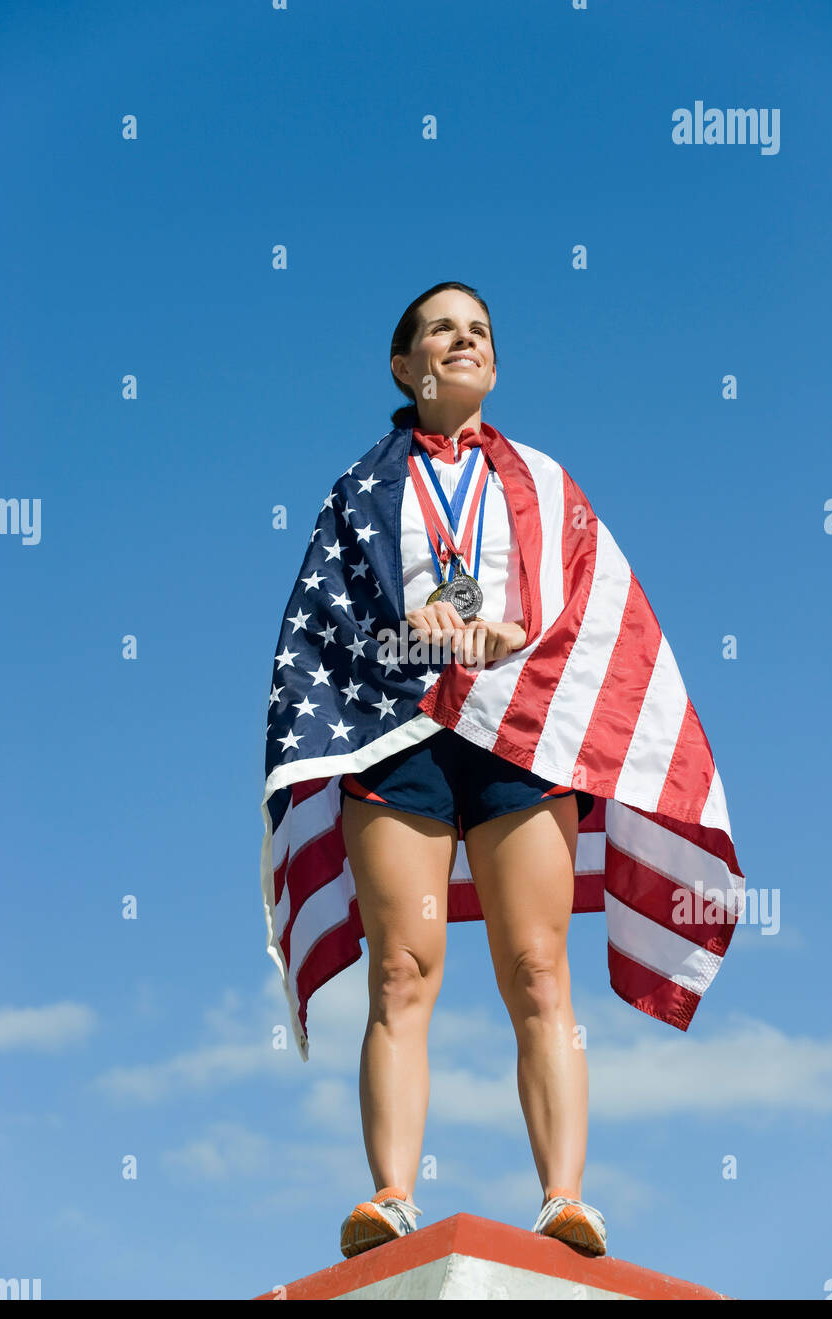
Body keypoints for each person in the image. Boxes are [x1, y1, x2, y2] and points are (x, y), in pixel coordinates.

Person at [336, 282, 606, 1259]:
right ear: (405, 365)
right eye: (442, 328)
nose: (465, 340)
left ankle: (564, 1200)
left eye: (481, 330)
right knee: (402, 968)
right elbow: (321, 630)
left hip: (519, 727)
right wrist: (397, 633)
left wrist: (515, 633)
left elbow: (589, 606)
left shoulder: (542, 481)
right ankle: (394, 1197)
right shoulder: (360, 488)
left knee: (536, 967)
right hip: (397, 730)